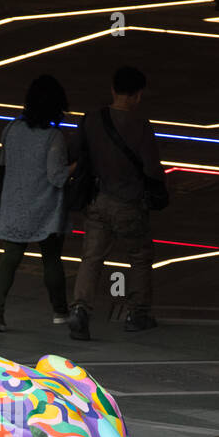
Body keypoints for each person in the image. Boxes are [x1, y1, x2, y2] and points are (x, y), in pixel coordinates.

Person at [70, 65, 167, 340]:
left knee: (92, 257)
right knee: (138, 257)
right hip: (130, 203)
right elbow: (151, 168)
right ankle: (138, 314)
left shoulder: (91, 119)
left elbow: (75, 153)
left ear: (113, 89)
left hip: (98, 200)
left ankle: (80, 309)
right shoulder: (141, 126)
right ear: (138, 95)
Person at [0, 74, 76, 332]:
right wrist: (78, 165)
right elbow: (57, 176)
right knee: (51, 259)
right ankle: (60, 311)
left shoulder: (11, 128)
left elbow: (4, 163)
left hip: (14, 204)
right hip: (46, 207)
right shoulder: (54, 137)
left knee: (10, 258)